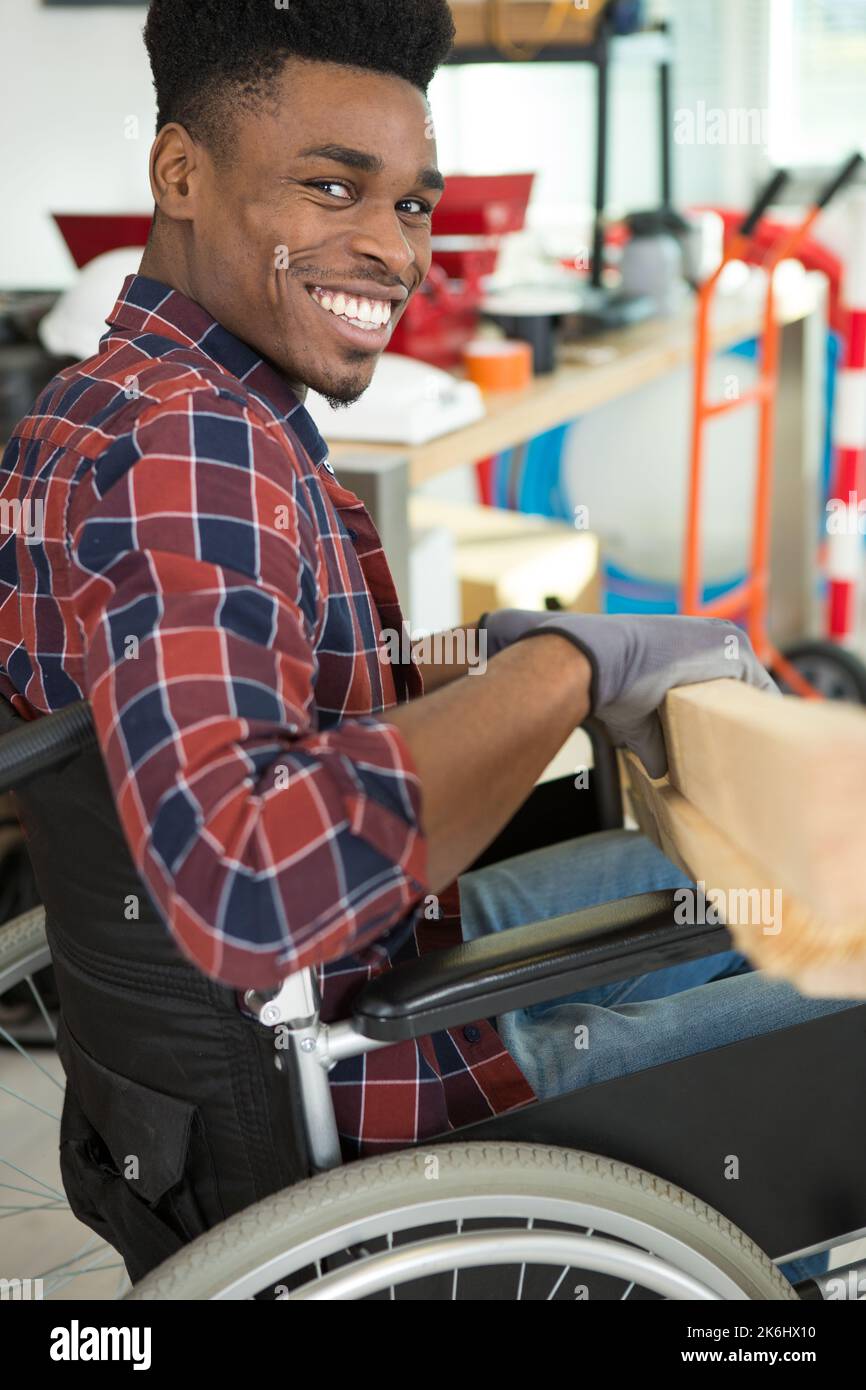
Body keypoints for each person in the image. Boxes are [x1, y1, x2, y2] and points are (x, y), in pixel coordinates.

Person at [0, 0, 849, 1287]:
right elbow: (252, 878)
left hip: (209, 1077)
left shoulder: (103, 402)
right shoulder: (198, 447)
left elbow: (246, 690)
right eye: (332, 187)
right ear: (179, 170)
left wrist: (502, 648)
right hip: (368, 1067)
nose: (393, 249)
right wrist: (561, 673)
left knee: (790, 887)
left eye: (409, 205)